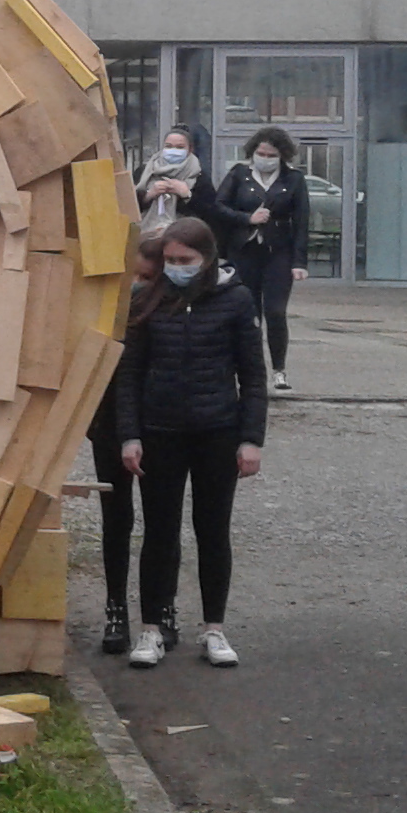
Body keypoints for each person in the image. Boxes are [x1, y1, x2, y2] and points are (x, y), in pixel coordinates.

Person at [115, 214, 266, 669]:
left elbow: (253, 376)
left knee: (212, 530)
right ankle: (151, 630)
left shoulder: (235, 300)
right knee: (159, 532)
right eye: (170, 259)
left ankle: (214, 629)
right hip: (160, 431)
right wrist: (130, 435)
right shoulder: (149, 301)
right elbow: (129, 376)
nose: (176, 266)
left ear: (207, 258)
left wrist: (251, 440)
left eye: (186, 260)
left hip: (217, 431)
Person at [87, 234, 165, 655]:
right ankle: (115, 605)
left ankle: (162, 606)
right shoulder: (106, 311)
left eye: (146, 278)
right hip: (110, 424)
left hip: (157, 425)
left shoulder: (166, 313)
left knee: (161, 521)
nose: (136, 285)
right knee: (116, 518)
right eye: (131, 276)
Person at [214, 125, 310, 391]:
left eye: (270, 154)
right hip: (244, 252)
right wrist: (246, 218)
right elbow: (219, 206)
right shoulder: (239, 175)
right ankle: (248, 368)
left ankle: (279, 369)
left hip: (278, 252)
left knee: (275, 312)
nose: (264, 158)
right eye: (261, 152)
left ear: (281, 155)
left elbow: (302, 221)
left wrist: (299, 262)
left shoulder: (293, 180)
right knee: (248, 312)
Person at [133, 124, 206, 238]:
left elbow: (208, 211)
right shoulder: (145, 171)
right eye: (169, 146)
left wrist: (187, 194)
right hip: (145, 236)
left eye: (180, 147)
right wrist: (148, 195)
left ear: (190, 149)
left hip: (184, 236)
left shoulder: (198, 174)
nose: (173, 151)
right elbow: (127, 205)